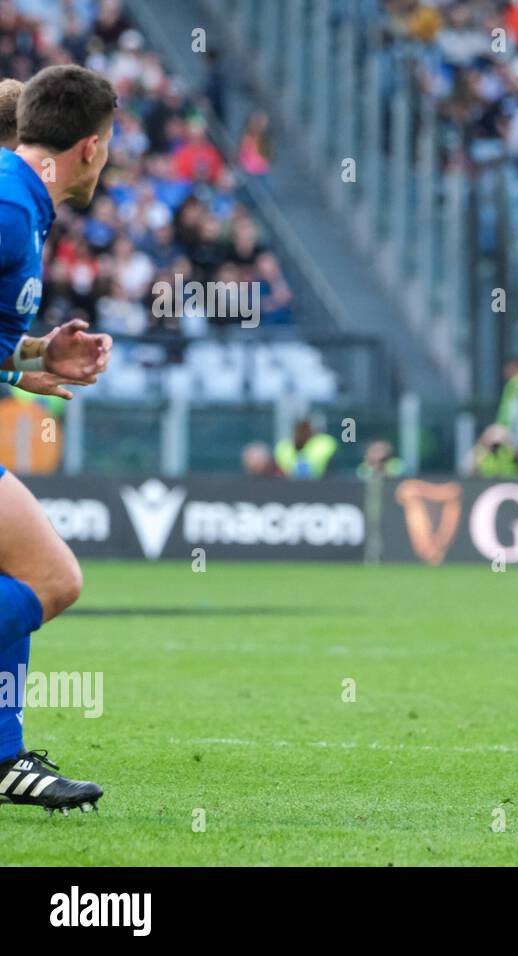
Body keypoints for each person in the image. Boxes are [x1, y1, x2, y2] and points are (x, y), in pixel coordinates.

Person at [0, 65, 117, 815]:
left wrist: (32, 356)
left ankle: (5, 758)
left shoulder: (24, 207)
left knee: (29, 569)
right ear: (90, 147)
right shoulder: (11, 209)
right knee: (54, 581)